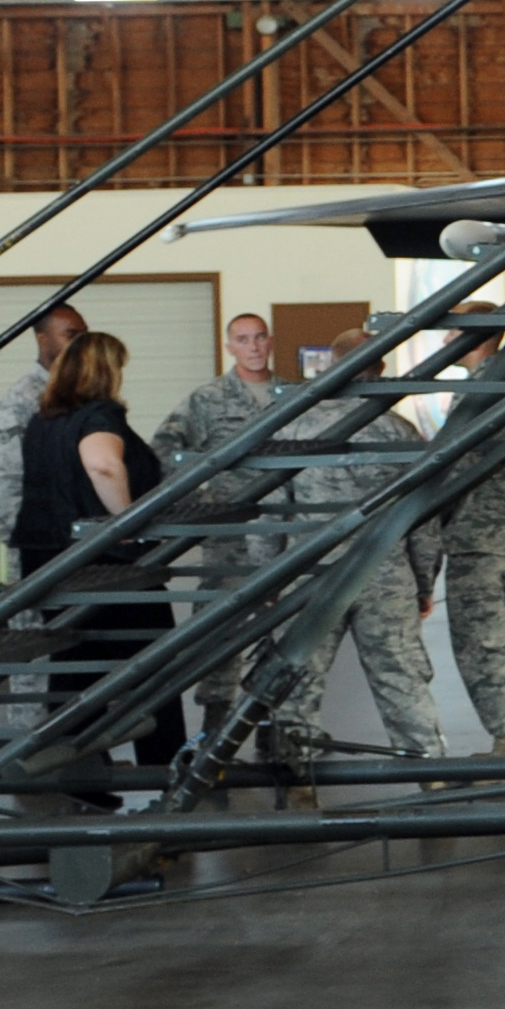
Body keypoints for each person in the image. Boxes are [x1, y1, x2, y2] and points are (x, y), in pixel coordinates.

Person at [15, 330, 188, 772]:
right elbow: (103, 464)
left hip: (48, 555)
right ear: (107, 371)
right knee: (151, 664)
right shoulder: (99, 416)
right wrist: (125, 522)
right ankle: (164, 764)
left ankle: (74, 770)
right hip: (104, 562)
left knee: (74, 664)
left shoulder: (43, 420)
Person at [271, 386, 451, 760]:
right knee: (401, 679)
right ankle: (430, 772)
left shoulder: (295, 430)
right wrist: (423, 582)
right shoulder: (398, 431)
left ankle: (294, 775)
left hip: (311, 576)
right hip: (384, 574)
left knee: (296, 680)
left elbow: (271, 513)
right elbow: (423, 517)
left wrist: (268, 580)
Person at [423, 304, 505, 757]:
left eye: (452, 332)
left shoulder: (478, 392)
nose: (444, 342)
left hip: (478, 539)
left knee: (483, 645)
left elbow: (454, 473)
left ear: (473, 338)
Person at [155, 313, 287, 739]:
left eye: (259, 337)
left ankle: (271, 718)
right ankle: (215, 724)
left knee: (281, 625)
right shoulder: (208, 399)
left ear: (270, 342)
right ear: (230, 346)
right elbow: (165, 449)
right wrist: (201, 504)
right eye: (243, 340)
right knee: (220, 628)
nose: (253, 347)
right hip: (229, 534)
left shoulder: (295, 394)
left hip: (285, 532)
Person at [0, 302, 85, 571]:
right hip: (38, 540)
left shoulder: (81, 394)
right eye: (71, 335)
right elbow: (6, 474)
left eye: (84, 337)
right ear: (43, 339)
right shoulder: (25, 397)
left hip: (77, 535)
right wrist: (17, 538)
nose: (81, 346)